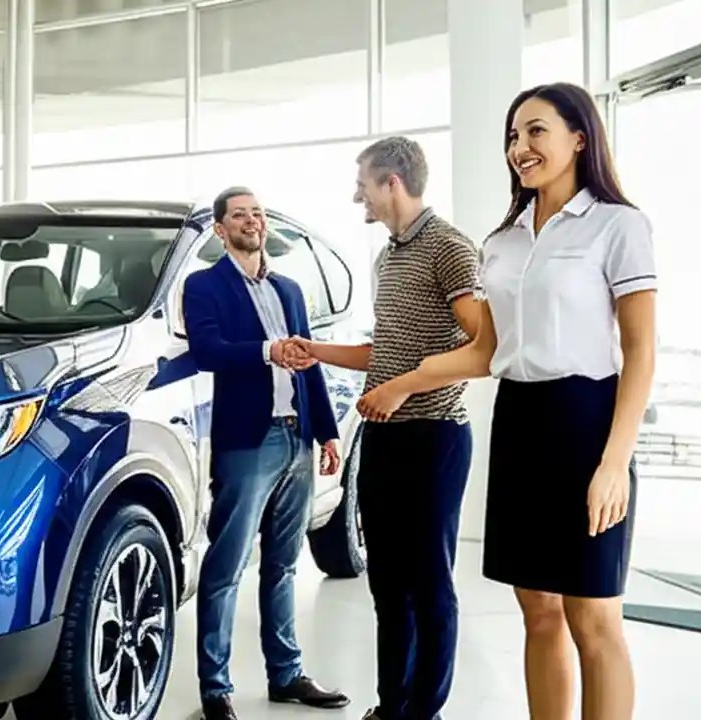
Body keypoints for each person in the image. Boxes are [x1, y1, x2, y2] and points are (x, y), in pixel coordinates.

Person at [357, 82, 654, 720]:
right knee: (539, 612)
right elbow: (487, 351)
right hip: (521, 424)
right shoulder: (504, 240)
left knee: (594, 618)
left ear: (580, 137)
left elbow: (641, 352)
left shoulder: (618, 225)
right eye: (514, 136)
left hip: (589, 423)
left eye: (536, 131)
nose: (520, 147)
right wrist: (405, 380)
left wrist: (613, 462)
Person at [300, 137, 481, 720]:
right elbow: (385, 353)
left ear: (392, 183)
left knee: (430, 587)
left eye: (364, 185)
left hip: (435, 439)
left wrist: (402, 387)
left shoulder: (450, 249)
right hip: (384, 439)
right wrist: (314, 350)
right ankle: (390, 706)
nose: (359, 197)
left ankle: (423, 711)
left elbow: (482, 348)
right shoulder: (388, 256)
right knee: (387, 586)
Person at [183, 186, 351, 720]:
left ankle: (287, 674)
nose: (251, 221)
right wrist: (266, 351)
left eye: (256, 213)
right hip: (247, 443)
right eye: (239, 215)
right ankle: (215, 689)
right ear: (220, 228)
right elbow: (206, 351)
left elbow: (311, 362)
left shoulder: (291, 289)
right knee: (227, 565)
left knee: (283, 565)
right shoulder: (204, 286)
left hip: (297, 436)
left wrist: (326, 432)